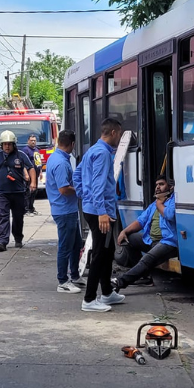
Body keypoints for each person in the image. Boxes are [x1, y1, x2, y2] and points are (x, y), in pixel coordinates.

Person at [73, 117, 125, 313]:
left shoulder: (92, 151)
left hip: (92, 208)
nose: (119, 138)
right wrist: (102, 212)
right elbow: (98, 185)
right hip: (99, 212)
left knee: (108, 249)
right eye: (119, 134)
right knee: (100, 254)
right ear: (113, 133)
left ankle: (107, 292)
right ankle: (89, 299)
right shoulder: (103, 153)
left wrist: (83, 195)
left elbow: (77, 175)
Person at [112, 177, 177, 291]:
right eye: (157, 184)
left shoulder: (173, 200)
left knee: (147, 260)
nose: (157, 187)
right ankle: (143, 277)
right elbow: (140, 221)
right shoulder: (153, 205)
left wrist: (160, 204)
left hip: (168, 242)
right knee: (127, 239)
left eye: (161, 184)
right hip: (151, 240)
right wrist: (124, 231)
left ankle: (120, 282)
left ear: (170, 187)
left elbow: (170, 215)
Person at [45, 130, 85, 293]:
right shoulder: (61, 163)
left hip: (67, 209)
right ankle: (63, 281)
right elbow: (63, 189)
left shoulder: (56, 158)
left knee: (76, 244)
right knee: (65, 246)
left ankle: (75, 275)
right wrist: (81, 191)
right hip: (64, 210)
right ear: (72, 144)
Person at [0, 130, 35, 252]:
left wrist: (33, 182)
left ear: (14, 145)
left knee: (18, 217)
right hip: (2, 193)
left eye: (10, 144)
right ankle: (2, 241)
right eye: (5, 144)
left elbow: (31, 168)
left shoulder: (21, 155)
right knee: (3, 216)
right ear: (1, 145)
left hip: (18, 193)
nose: (7, 146)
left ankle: (18, 238)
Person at [19, 134, 42, 215]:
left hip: (36, 174)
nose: (33, 142)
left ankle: (31, 208)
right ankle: (26, 209)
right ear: (28, 141)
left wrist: (41, 172)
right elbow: (23, 164)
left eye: (34, 140)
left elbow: (38, 162)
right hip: (29, 175)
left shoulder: (36, 150)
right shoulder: (25, 150)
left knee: (34, 192)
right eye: (31, 140)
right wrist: (26, 174)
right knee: (27, 192)